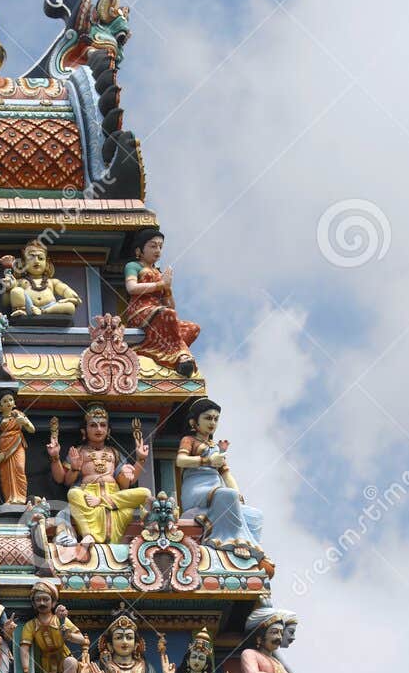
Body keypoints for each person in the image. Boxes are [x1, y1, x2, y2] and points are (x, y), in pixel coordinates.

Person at [47, 407, 149, 547]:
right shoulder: (79, 451)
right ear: (84, 431)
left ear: (108, 431)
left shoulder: (114, 453)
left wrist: (140, 460)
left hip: (113, 496)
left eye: (103, 425)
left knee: (146, 493)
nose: (99, 429)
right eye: (93, 425)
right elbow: (63, 480)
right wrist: (57, 458)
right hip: (88, 496)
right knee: (74, 493)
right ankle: (88, 535)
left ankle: (102, 501)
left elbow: (125, 484)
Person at [175, 398, 264, 555]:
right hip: (197, 488)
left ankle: (252, 546)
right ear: (193, 422)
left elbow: (226, 474)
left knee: (254, 515)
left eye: (216, 419)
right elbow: (180, 461)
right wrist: (208, 461)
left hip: (216, 489)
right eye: (208, 418)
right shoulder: (189, 440)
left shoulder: (215, 447)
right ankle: (232, 541)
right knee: (227, 495)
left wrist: (238, 496)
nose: (213, 422)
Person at [123, 227, 198, 374]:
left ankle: (163, 350)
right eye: (153, 246)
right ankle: (181, 356)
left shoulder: (159, 273)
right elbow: (131, 288)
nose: (157, 250)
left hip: (159, 312)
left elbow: (171, 306)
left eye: (160, 247)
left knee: (193, 328)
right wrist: (160, 285)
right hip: (140, 310)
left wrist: (167, 288)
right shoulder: (133, 266)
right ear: (139, 250)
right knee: (168, 314)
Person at [19, 580, 88, 673]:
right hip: (47, 671)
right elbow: (24, 648)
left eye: (46, 599)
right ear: (33, 603)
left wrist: (68, 635)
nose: (42, 603)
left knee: (71, 661)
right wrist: (26, 672)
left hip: (64, 664)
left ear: (53, 602)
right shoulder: (31, 625)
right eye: (38, 600)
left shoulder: (59, 620)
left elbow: (82, 639)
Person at [0, 393, 34, 505]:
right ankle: (10, 498)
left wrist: (25, 422)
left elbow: (32, 430)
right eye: (5, 401)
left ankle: (21, 498)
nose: (8, 403)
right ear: (0, 407)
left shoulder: (19, 414)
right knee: (6, 473)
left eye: (10, 400)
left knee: (19, 468)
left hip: (17, 444)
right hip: (4, 448)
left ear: (14, 403)